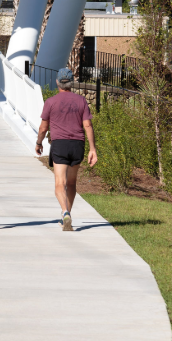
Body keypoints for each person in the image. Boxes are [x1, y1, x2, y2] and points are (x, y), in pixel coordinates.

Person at [35, 67, 97, 231]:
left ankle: (65, 212)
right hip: (77, 144)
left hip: (60, 144)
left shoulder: (51, 102)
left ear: (57, 82)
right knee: (71, 182)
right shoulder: (81, 101)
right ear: (71, 83)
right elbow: (88, 125)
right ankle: (67, 215)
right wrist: (92, 149)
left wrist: (39, 143)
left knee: (60, 183)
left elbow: (43, 128)